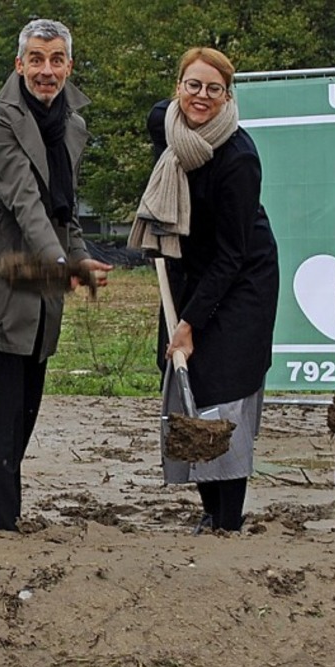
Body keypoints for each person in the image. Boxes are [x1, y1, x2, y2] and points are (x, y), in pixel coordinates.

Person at [0, 20, 111, 532]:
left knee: (29, 403)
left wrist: (79, 259)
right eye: (36, 59)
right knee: (7, 401)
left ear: (68, 66)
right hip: (1, 279)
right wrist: (58, 262)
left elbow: (65, 213)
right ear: (19, 65)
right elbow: (24, 201)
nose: (46, 70)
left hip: (44, 286)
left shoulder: (73, 126)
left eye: (56, 59)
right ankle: (1, 521)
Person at [129, 48, 280, 533]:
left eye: (214, 89)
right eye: (193, 85)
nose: (201, 97)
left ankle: (227, 518)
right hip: (186, 269)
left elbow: (231, 254)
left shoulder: (239, 158)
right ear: (179, 87)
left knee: (222, 387)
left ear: (227, 96)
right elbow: (157, 115)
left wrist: (192, 323)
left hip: (242, 279)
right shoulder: (167, 127)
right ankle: (207, 506)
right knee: (181, 373)